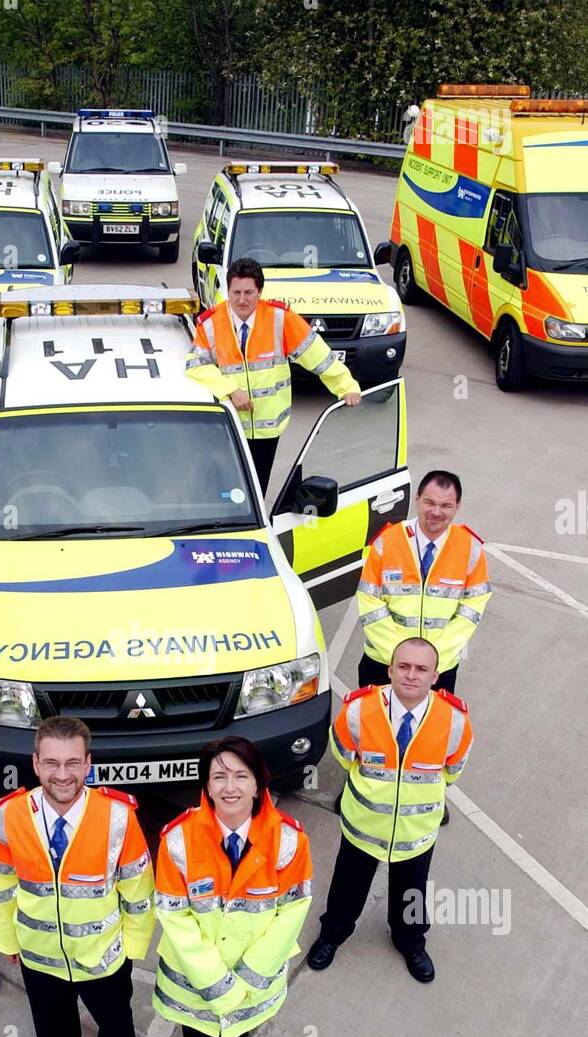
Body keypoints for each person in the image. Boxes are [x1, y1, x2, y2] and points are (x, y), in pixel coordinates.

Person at [0, 717, 155, 1037]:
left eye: (73, 763)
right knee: (51, 1022)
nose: (63, 775)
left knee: (115, 1025)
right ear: (36, 763)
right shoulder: (8, 817)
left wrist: (132, 949)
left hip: (103, 956)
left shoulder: (118, 817)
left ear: (89, 764)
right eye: (53, 764)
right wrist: (8, 939)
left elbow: (138, 889)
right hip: (40, 954)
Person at [153, 737, 313, 1037]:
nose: (230, 787)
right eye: (219, 776)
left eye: (241, 776)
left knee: (238, 1031)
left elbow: (292, 911)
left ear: (259, 784)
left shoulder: (290, 841)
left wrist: (247, 976)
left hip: (250, 978)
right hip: (196, 981)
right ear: (206, 786)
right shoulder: (177, 839)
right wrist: (216, 982)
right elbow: (174, 917)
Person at [307, 638, 473, 984]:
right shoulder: (358, 709)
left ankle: (411, 942)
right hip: (364, 825)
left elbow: (452, 771)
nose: (411, 675)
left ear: (435, 675)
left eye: (421, 669)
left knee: (411, 892)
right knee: (347, 888)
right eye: (404, 666)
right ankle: (332, 935)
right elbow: (343, 753)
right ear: (390, 670)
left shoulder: (454, 720)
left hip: (415, 831)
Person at [185, 256, 362, 494]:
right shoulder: (211, 323)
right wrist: (231, 390)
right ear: (228, 291)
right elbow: (195, 365)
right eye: (236, 292)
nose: (241, 300)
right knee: (226, 487)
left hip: (268, 425)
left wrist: (346, 385)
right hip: (230, 423)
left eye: (249, 292)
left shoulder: (280, 318)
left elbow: (317, 355)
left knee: (257, 489)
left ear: (260, 292)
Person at [355, 470, 491, 695]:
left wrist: (431, 660)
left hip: (438, 669)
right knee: (374, 727)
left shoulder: (470, 549)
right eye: (429, 502)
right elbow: (369, 602)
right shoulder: (386, 541)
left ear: (458, 506)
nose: (436, 512)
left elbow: (471, 610)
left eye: (446, 506)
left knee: (431, 728)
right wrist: (400, 657)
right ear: (417, 498)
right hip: (383, 663)